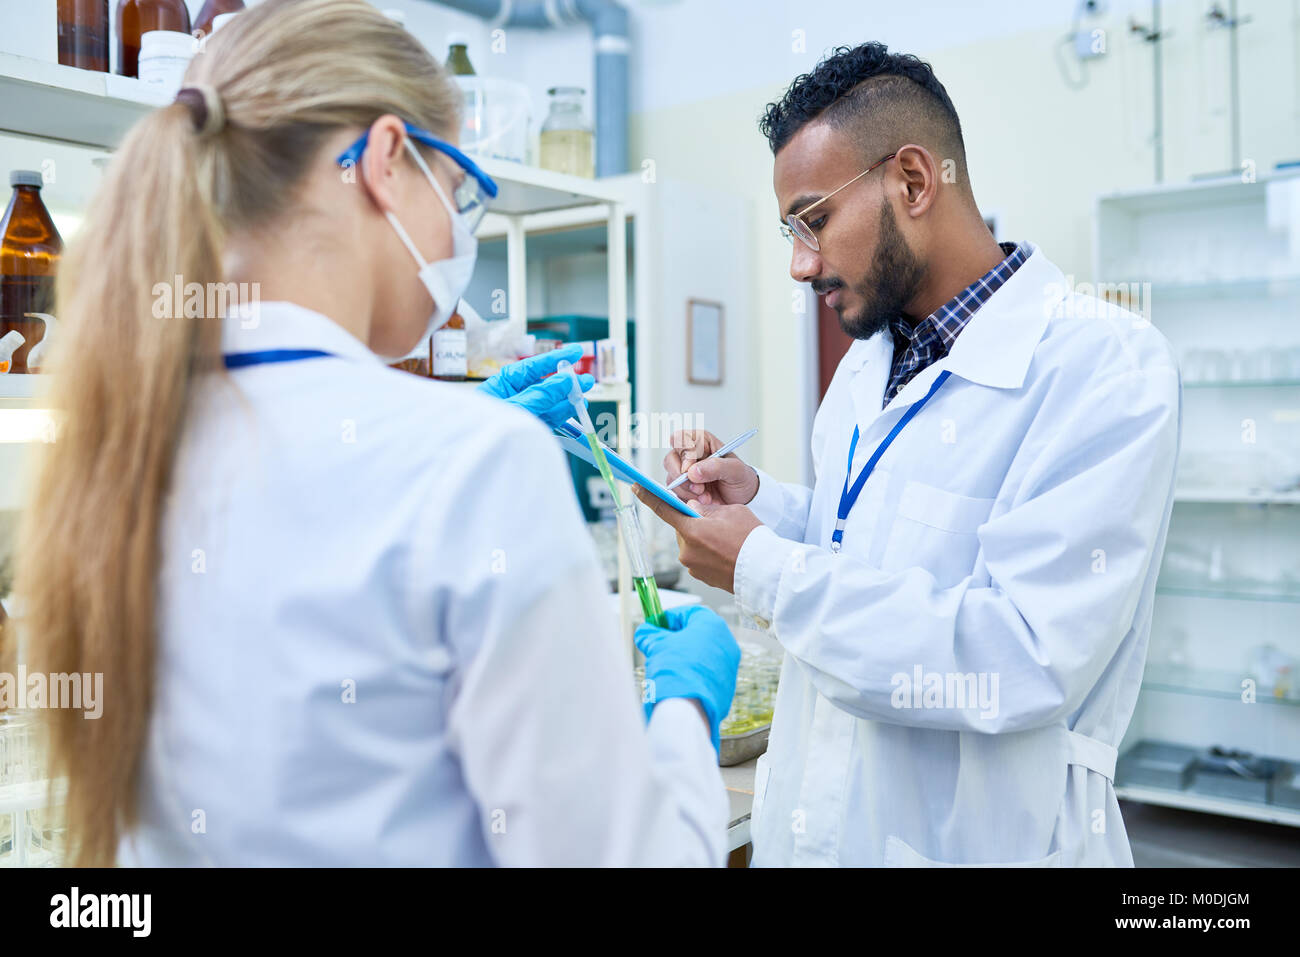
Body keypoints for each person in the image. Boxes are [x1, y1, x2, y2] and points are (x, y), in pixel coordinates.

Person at [13, 0, 738, 867]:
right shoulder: (476, 468)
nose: (457, 234)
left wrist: (458, 435)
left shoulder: (118, 440)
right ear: (385, 161)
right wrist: (683, 712)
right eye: (461, 192)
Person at [634, 42, 1182, 867]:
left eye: (814, 219)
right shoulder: (866, 364)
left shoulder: (1104, 366)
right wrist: (763, 502)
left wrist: (758, 566)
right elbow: (862, 544)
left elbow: (1020, 655)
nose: (800, 263)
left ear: (915, 181)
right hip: (817, 826)